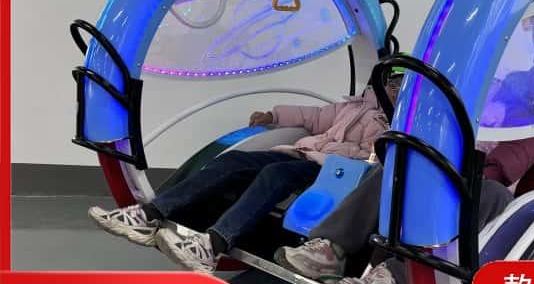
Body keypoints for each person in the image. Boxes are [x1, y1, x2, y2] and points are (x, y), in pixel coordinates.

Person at [88, 83, 395, 273]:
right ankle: (149, 213)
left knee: (274, 174)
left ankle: (213, 244)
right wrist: (273, 116)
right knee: (234, 161)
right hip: (301, 153)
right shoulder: (354, 106)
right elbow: (313, 117)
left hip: (335, 169)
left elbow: (379, 160)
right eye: (390, 80)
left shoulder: (397, 124)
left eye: (398, 83)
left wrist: (340, 151)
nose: (392, 87)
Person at [274, 137, 534, 284]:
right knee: (395, 166)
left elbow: (504, 166)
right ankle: (331, 251)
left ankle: (395, 276)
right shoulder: (464, 108)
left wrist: (452, 174)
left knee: (489, 192)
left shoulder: (524, 130)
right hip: (437, 175)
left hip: (483, 192)